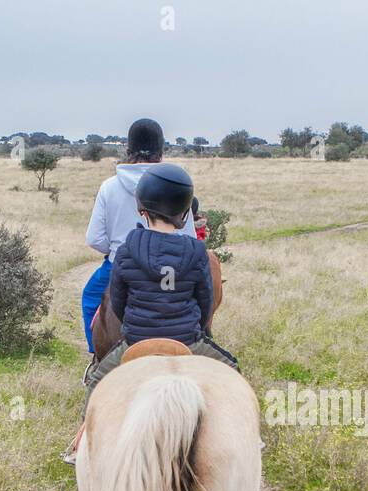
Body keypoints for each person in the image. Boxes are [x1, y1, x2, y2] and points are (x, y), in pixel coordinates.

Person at [63, 164, 237, 463]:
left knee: (97, 382)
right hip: (188, 341)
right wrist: (199, 332)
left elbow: (117, 300)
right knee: (232, 371)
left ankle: (82, 445)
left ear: (141, 208)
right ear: (185, 214)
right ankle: (241, 437)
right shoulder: (197, 252)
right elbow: (206, 302)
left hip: (135, 342)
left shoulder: (128, 248)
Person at [80, 118, 197, 355]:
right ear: (161, 151)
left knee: (91, 296)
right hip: (172, 268)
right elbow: (191, 237)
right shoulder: (176, 184)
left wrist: (113, 250)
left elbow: (94, 238)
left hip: (118, 265)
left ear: (128, 149)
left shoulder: (109, 186)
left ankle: (98, 357)